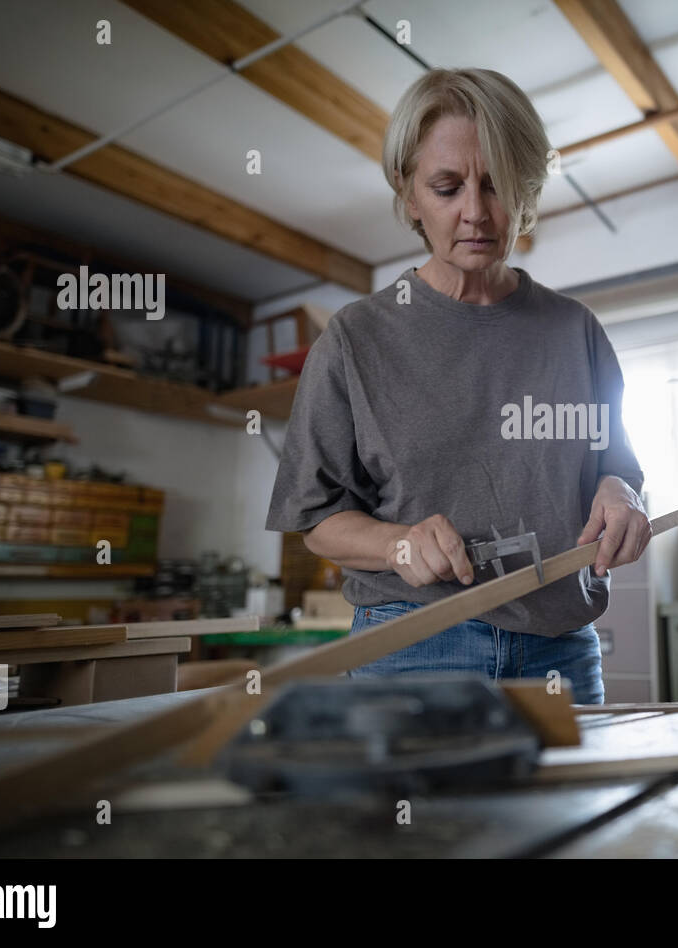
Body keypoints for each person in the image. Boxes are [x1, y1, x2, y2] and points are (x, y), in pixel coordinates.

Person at [265, 68, 648, 705]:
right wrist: (395, 543)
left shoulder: (574, 330)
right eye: (447, 187)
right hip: (413, 646)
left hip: (561, 649)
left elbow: (618, 470)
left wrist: (622, 493)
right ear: (409, 195)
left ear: (527, 189)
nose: (475, 212)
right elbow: (316, 521)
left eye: (497, 185)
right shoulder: (355, 339)